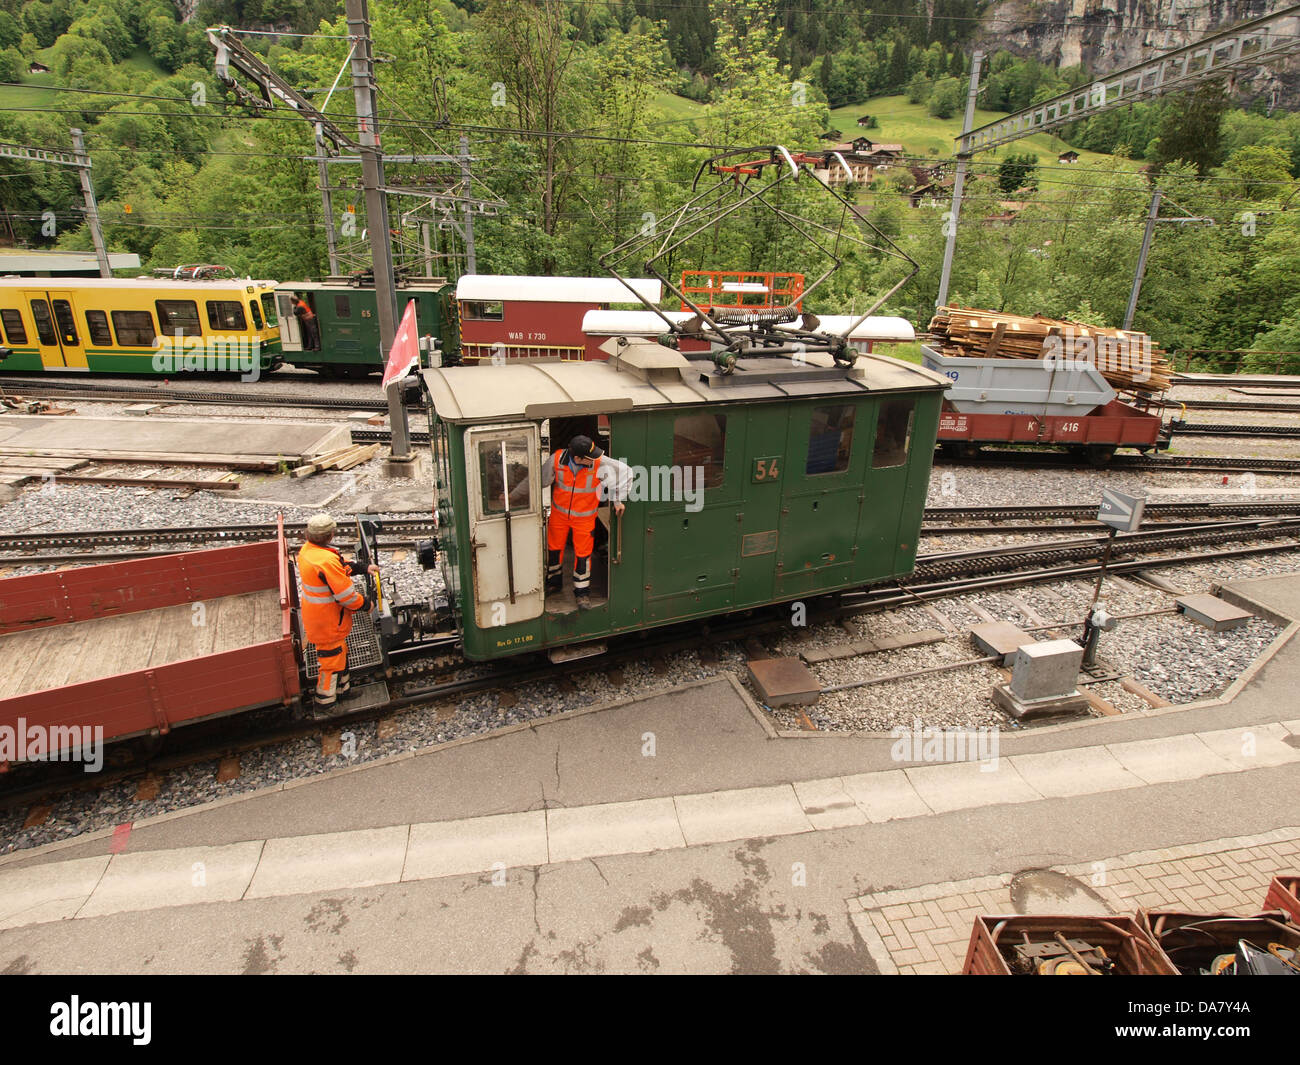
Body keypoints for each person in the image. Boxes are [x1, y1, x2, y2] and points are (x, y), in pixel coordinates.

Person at [297, 513, 379, 708]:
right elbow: (346, 596)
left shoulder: (309, 551)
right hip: (327, 621)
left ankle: (343, 690)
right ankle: (325, 702)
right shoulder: (325, 560)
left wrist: (364, 568)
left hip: (320, 617)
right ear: (330, 535)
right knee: (331, 662)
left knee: (340, 652)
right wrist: (367, 605)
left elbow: (339, 569)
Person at [541, 435, 630, 609]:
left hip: (584, 519)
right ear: (577, 458)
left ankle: (582, 593)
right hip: (559, 515)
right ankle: (554, 582)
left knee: (583, 556)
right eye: (591, 456)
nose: (596, 458)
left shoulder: (599, 462)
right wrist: (515, 495)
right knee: (554, 549)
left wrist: (618, 499)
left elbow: (625, 471)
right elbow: (540, 481)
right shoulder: (557, 459)